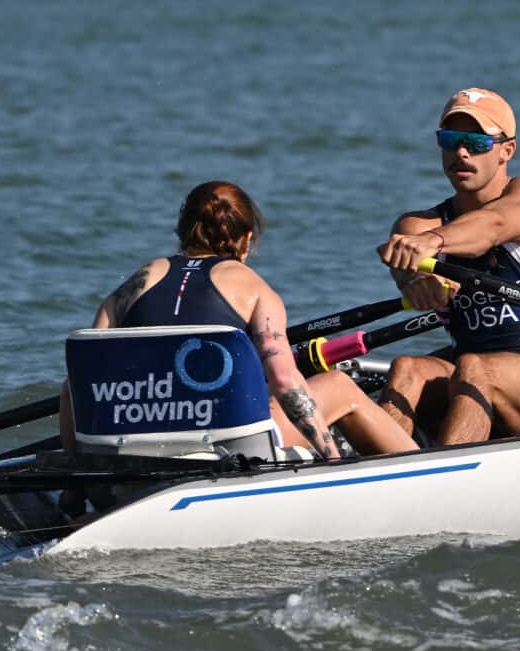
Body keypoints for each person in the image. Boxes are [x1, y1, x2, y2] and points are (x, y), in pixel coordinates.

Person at [61, 180, 414, 459]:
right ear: (246, 240)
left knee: (76, 381)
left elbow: (83, 377)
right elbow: (283, 379)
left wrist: (78, 478)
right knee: (339, 387)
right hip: (228, 446)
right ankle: (423, 468)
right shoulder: (255, 289)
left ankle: (76, 487)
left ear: (183, 233)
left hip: (128, 442)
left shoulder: (136, 282)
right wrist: (329, 457)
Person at [376, 88, 520, 444]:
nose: (462, 153)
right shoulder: (417, 225)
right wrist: (416, 281)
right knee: (406, 369)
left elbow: (493, 227)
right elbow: (408, 261)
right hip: (467, 373)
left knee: (474, 367)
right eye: (450, 140)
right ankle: (381, 477)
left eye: (476, 142)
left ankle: (446, 483)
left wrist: (435, 244)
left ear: (507, 150)